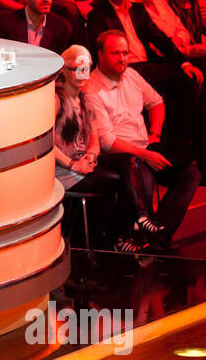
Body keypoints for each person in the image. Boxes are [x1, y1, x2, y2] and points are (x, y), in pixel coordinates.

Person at [83, 31, 200, 247]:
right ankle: (144, 237)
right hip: (118, 155)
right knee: (143, 177)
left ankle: (156, 235)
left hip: (145, 146)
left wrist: (154, 134)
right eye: (115, 53)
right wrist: (146, 154)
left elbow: (156, 102)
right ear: (99, 54)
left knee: (189, 173)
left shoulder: (131, 75)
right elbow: (107, 141)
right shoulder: (92, 89)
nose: (122, 59)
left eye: (125, 53)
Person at [53, 45, 156, 251]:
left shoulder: (85, 99)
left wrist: (91, 154)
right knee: (120, 179)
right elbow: (44, 141)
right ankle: (122, 235)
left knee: (129, 160)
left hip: (84, 163)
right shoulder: (56, 100)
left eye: (87, 69)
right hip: (64, 169)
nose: (84, 75)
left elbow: (95, 140)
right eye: (78, 69)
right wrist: (73, 164)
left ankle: (139, 218)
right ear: (65, 70)